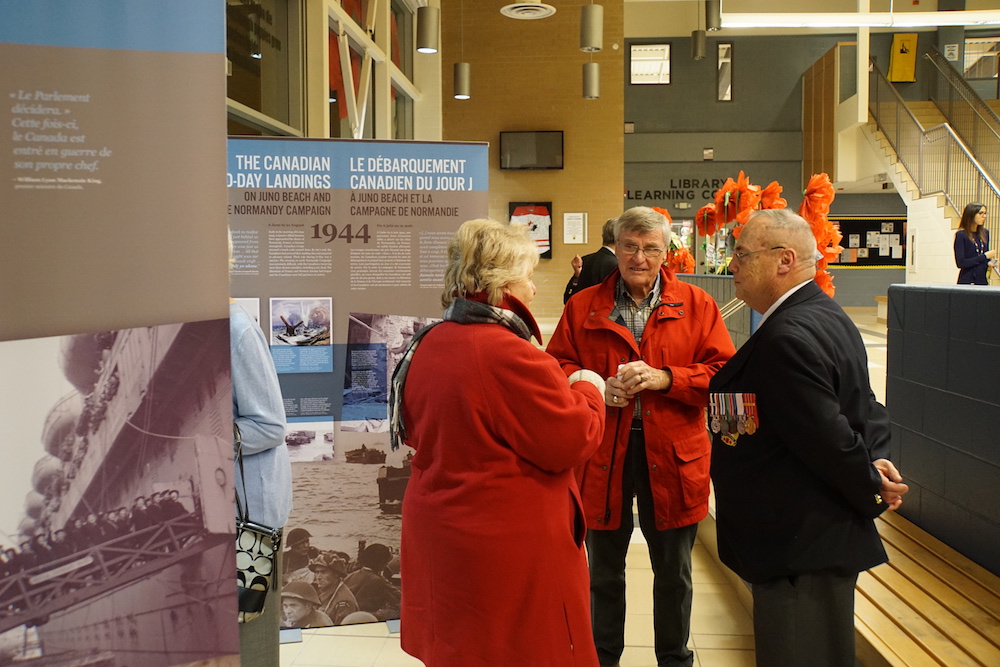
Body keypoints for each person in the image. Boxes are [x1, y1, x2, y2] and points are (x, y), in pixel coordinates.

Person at [391, 218, 607, 667]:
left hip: (443, 532)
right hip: (504, 547)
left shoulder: (427, 343)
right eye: (528, 276)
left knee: (460, 650)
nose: (531, 289)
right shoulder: (508, 352)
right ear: (503, 280)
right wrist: (589, 388)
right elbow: (571, 439)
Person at [709, 208, 909, 666]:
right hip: (805, 539)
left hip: (799, 544)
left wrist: (872, 486)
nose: (731, 265)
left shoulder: (787, 336)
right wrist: (876, 462)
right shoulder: (826, 314)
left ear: (784, 260)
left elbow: (829, 438)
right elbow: (866, 408)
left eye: (741, 254)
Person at [547, 206, 734, 667]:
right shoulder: (583, 304)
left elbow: (724, 373)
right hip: (603, 452)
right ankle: (601, 658)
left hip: (673, 454)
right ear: (617, 246)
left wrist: (666, 379)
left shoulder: (697, 304)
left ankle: (674, 658)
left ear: (665, 251)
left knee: (674, 570)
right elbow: (557, 367)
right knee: (603, 571)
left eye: (651, 248)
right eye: (630, 246)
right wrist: (593, 383)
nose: (640, 257)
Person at [231, 252, 293, 665]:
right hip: (230, 514)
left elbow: (271, 426)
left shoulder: (236, 331)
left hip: (251, 525)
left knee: (251, 640)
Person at [564, 217, 620, 303]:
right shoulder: (617, 266)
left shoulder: (585, 260)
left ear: (603, 236)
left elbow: (568, 298)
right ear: (620, 239)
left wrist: (577, 276)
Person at [341, 543, 399, 621]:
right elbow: (398, 598)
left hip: (347, 617)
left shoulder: (350, 575)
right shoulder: (379, 580)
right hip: (365, 618)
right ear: (381, 563)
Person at [954, 202, 997, 284]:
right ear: (971, 214)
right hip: (968, 280)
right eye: (981, 213)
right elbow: (961, 263)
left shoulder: (985, 233)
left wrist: (990, 262)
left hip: (982, 280)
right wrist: (985, 257)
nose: (984, 216)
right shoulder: (961, 235)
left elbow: (984, 256)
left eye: (985, 213)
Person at [309, 557, 358, 625]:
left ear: (336, 574)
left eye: (323, 572)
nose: (318, 577)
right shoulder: (323, 591)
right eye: (317, 572)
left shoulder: (344, 602)